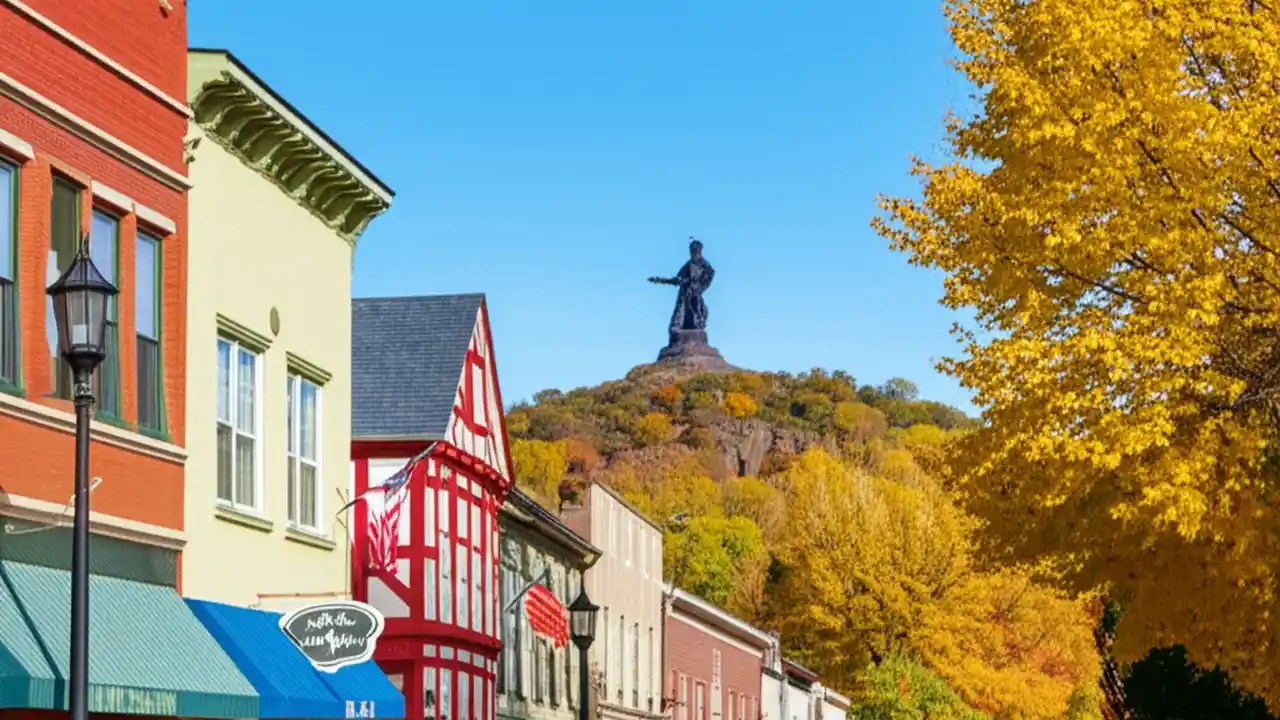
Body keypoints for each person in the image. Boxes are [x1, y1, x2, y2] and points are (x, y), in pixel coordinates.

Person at [648, 238, 715, 336]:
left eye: (694, 249)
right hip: (685, 293)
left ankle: (697, 322)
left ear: (699, 250)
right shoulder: (688, 264)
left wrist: (696, 286)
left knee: (695, 306)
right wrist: (663, 280)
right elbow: (678, 279)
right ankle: (678, 326)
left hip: (694, 294)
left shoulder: (705, 266)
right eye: (691, 250)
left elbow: (707, 278)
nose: (692, 252)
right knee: (680, 309)